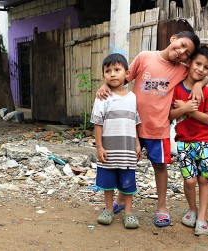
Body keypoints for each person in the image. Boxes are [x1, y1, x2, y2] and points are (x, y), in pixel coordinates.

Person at [96, 31, 203, 227]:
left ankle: (161, 207)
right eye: (181, 44)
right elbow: (122, 77)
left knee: (160, 166)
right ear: (173, 38)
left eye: (187, 52)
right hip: (131, 126)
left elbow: (201, 73)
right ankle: (120, 201)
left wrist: (199, 85)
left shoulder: (181, 69)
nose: (181, 52)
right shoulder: (145, 57)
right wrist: (105, 84)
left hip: (159, 127)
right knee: (126, 163)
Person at [169, 45, 208, 236]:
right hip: (184, 141)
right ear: (189, 63)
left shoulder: (207, 93)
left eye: (206, 67)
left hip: (206, 141)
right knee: (189, 181)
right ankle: (192, 209)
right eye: (198, 64)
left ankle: (202, 217)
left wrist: (189, 109)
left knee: (204, 179)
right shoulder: (176, 89)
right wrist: (182, 109)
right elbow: (170, 115)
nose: (200, 69)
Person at [91, 53, 142, 229]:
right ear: (103, 75)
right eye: (108, 71)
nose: (112, 74)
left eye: (117, 70)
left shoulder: (132, 97)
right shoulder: (102, 97)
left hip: (127, 150)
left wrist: (137, 144)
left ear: (127, 74)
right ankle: (108, 209)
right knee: (107, 182)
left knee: (128, 183)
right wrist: (99, 147)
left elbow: (135, 122)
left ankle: (128, 212)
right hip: (109, 150)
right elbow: (98, 123)